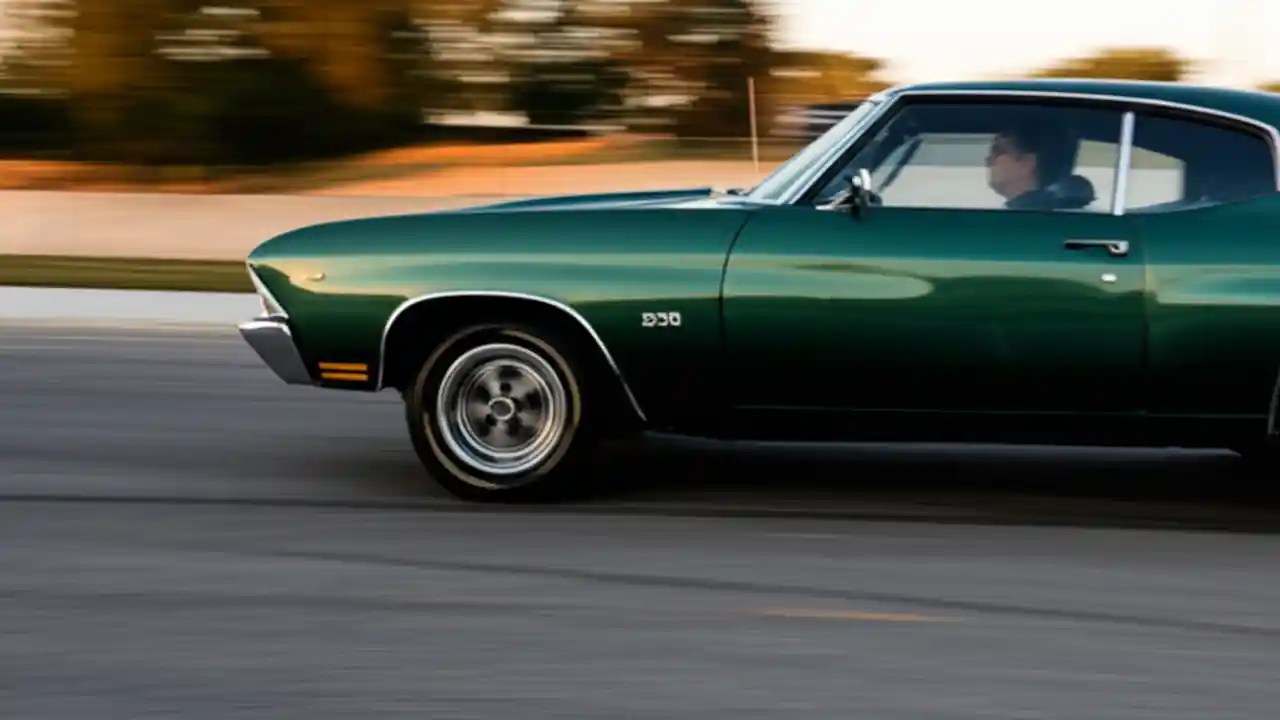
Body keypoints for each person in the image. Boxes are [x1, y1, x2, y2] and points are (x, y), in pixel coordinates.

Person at [985, 119, 1075, 210]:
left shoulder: (1019, 220)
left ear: (1027, 163)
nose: (988, 160)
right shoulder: (1050, 213)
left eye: (998, 151)